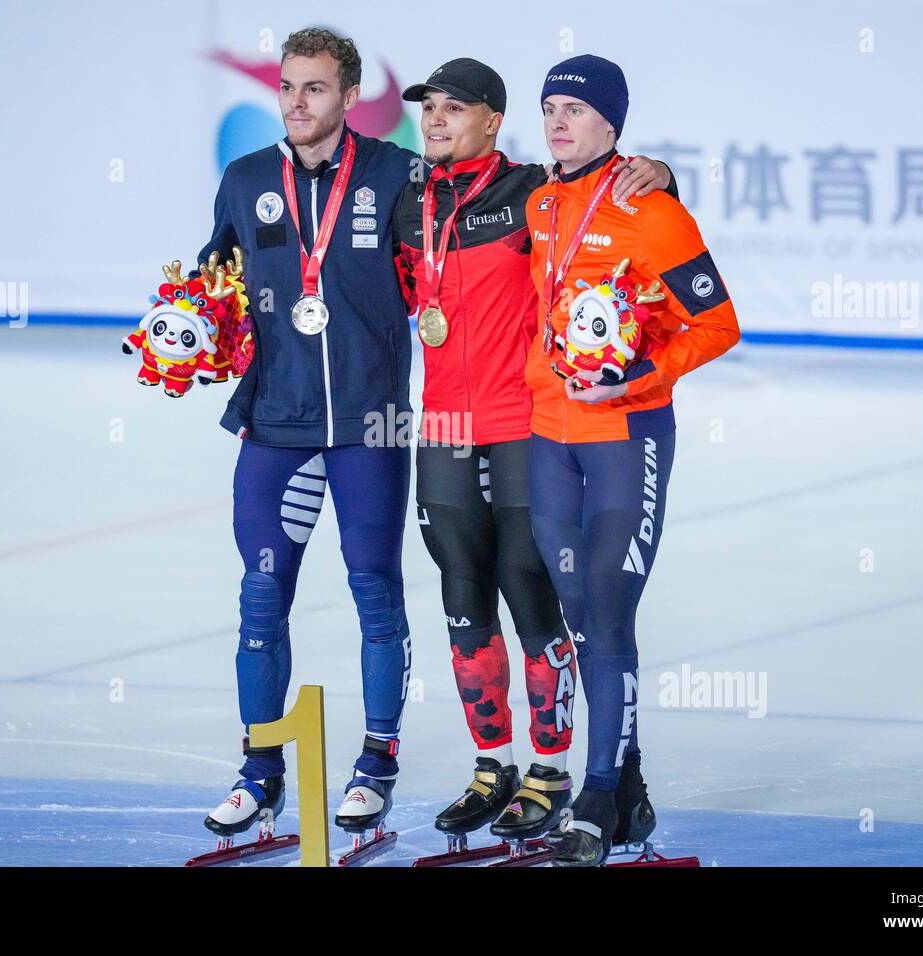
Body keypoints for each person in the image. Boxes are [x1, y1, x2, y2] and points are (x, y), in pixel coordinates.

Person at [391, 58, 678, 849]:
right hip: (443, 422)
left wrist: (665, 174)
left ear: (493, 120)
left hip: (525, 421)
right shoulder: (405, 199)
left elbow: (617, 207)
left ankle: (553, 772)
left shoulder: (531, 193)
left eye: (457, 108)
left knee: (531, 590)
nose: (438, 120)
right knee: (460, 592)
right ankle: (494, 765)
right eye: (429, 109)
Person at [194, 27, 416, 844]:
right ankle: (260, 772)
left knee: (375, 595)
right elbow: (210, 282)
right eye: (287, 85)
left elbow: (468, 249)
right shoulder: (247, 178)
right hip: (275, 426)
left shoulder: (397, 174)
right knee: (260, 598)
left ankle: (376, 765)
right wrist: (181, 322)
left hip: (370, 424)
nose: (295, 100)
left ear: (350, 97)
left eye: (314, 87)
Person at [522, 54, 740, 865]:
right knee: (582, 621)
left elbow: (717, 325)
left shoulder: (650, 209)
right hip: (550, 436)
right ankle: (631, 791)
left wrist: (643, 378)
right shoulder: (543, 203)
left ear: (613, 124)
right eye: (549, 107)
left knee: (608, 617)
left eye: (575, 109)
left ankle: (597, 797)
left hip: (625, 439)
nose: (558, 121)